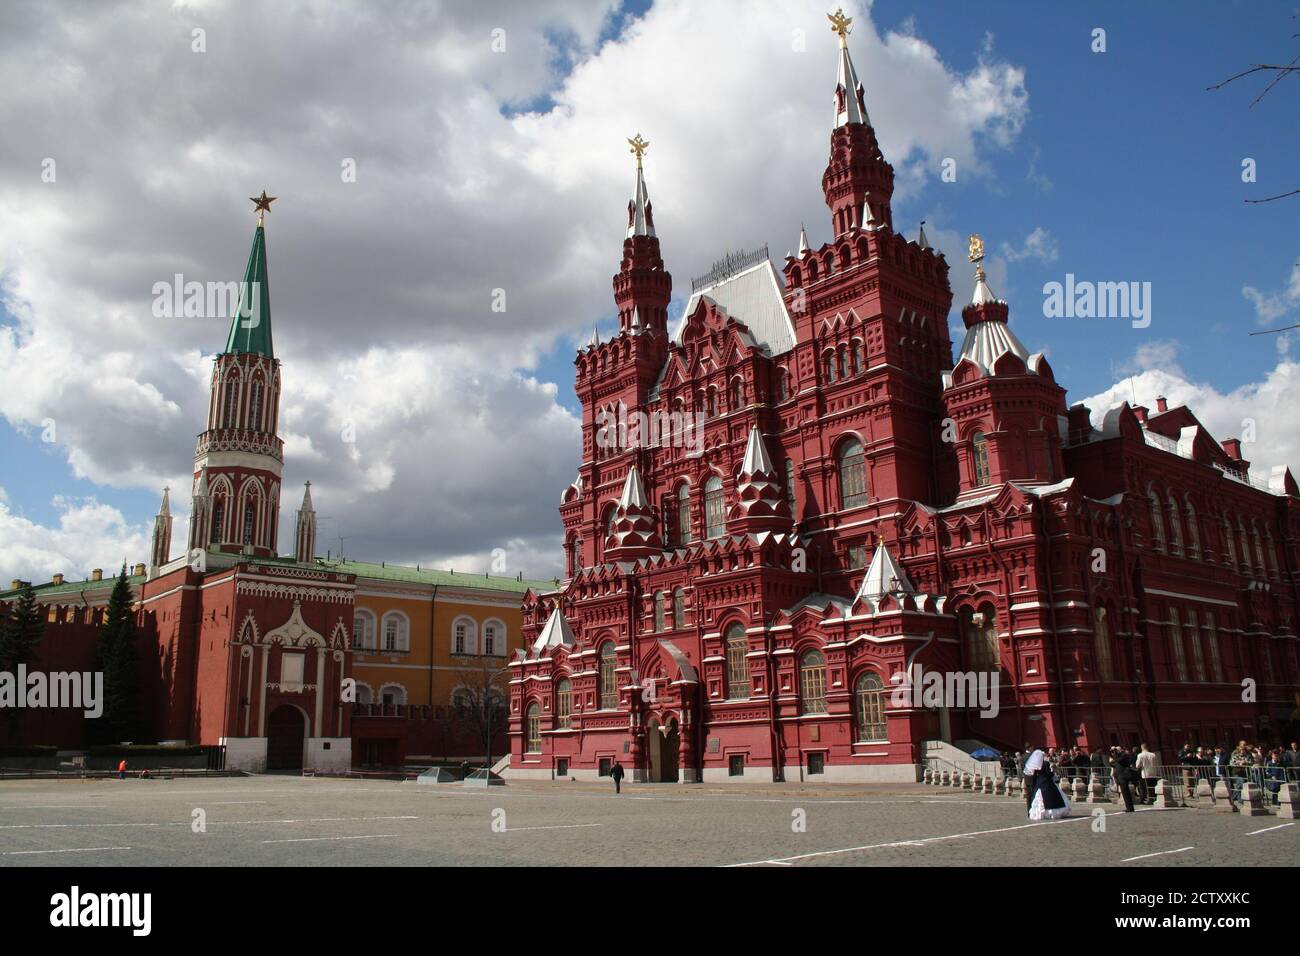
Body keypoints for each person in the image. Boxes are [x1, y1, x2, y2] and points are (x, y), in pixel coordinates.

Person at [1022, 743, 1070, 820]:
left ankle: (1034, 812)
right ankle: (1050, 812)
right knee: (1051, 798)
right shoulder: (1045, 763)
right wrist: (1053, 770)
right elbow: (1049, 774)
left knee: (1037, 798)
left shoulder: (1035, 765)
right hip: (1047, 782)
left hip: (1038, 782)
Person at [1108, 747, 1136, 812]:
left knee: (1126, 792)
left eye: (1116, 750)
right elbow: (1113, 764)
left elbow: (1119, 761)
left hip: (1123, 775)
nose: (1116, 751)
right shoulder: (1118, 756)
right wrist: (1113, 757)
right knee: (1124, 792)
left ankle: (1130, 808)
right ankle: (1129, 807)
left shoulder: (1124, 755)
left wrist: (1115, 756)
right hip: (1120, 776)